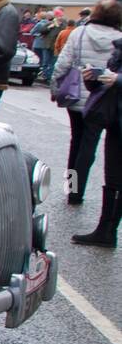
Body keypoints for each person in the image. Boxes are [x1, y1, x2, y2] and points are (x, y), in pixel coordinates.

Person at [57, 0, 122, 206]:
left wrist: (56, 89)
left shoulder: (80, 33)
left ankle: (72, 190)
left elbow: (62, 64)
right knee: (88, 146)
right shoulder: (119, 38)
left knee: (75, 143)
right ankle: (78, 190)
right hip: (104, 98)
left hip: (77, 95)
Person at [72, 33, 122, 248]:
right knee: (113, 177)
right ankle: (105, 231)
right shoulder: (118, 46)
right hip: (112, 117)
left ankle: (107, 231)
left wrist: (118, 80)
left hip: (112, 116)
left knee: (115, 175)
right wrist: (93, 78)